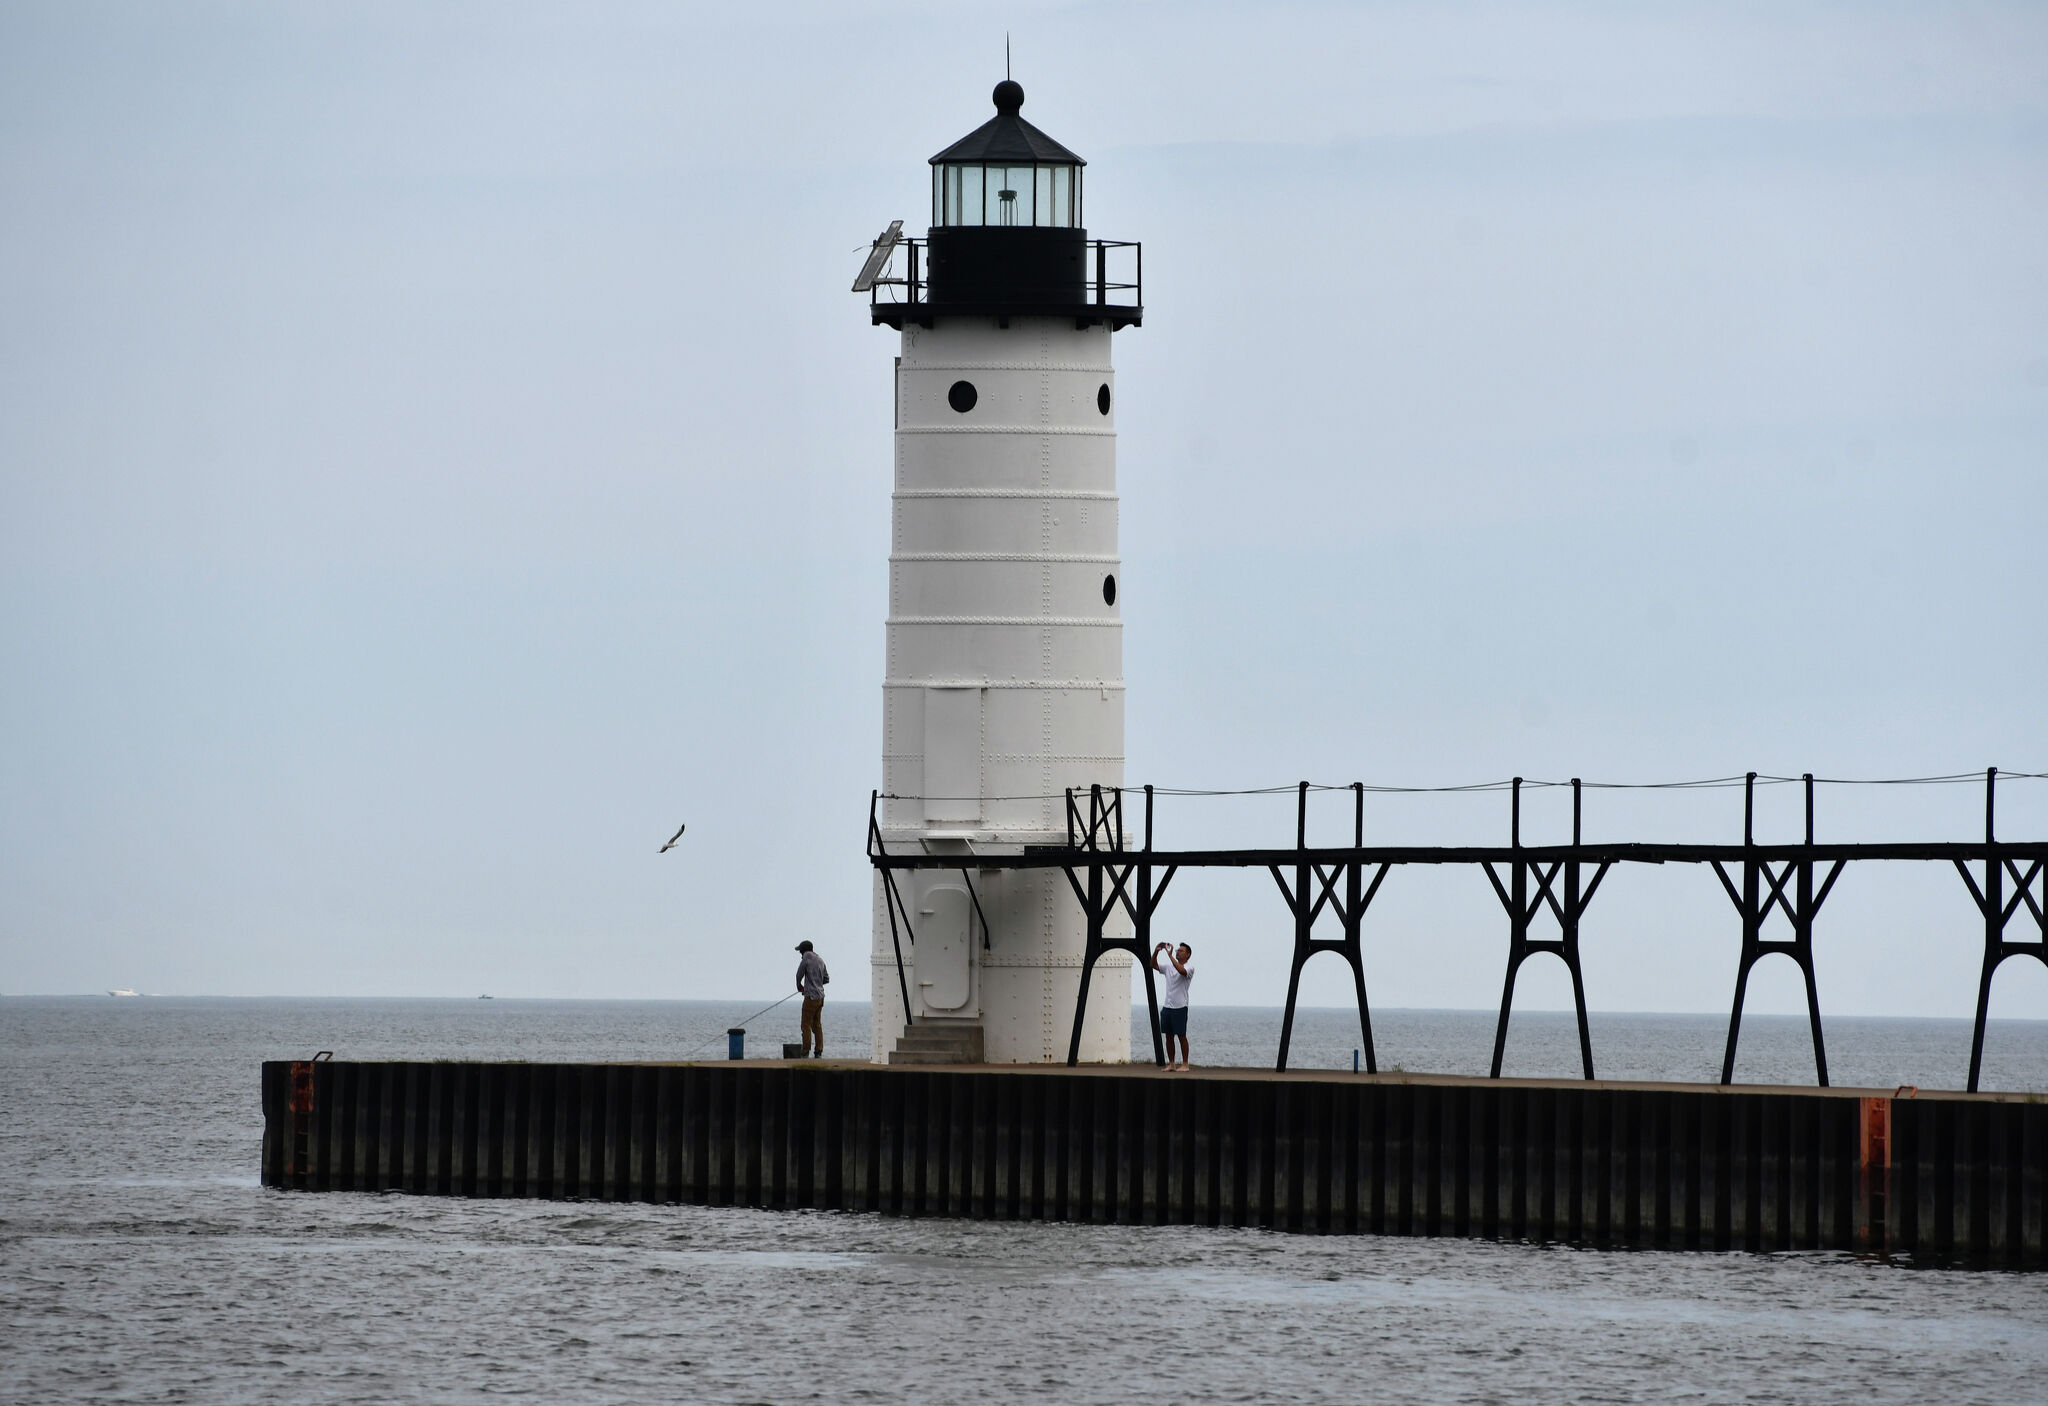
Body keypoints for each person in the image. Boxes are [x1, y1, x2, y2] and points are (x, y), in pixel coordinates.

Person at [1151, 941, 1194, 1072]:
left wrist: (1169, 956)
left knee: (1181, 1035)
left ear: (1188, 954)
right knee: (1168, 1036)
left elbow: (1181, 971)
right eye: (1177, 951)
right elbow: (1153, 965)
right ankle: (1171, 1063)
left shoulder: (1189, 967)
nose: (1178, 952)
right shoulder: (1169, 967)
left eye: (1181, 951)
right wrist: (1156, 952)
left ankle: (1185, 1064)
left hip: (1180, 1007)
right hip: (1167, 1006)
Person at [794, 940, 829, 1057]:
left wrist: (799, 986)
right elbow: (826, 979)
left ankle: (805, 1052)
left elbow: (799, 974)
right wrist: (817, 983)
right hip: (820, 997)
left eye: (800, 951)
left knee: (806, 1025)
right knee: (817, 1025)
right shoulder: (820, 960)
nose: (800, 954)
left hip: (810, 997)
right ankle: (819, 1051)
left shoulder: (806, 958)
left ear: (803, 951)